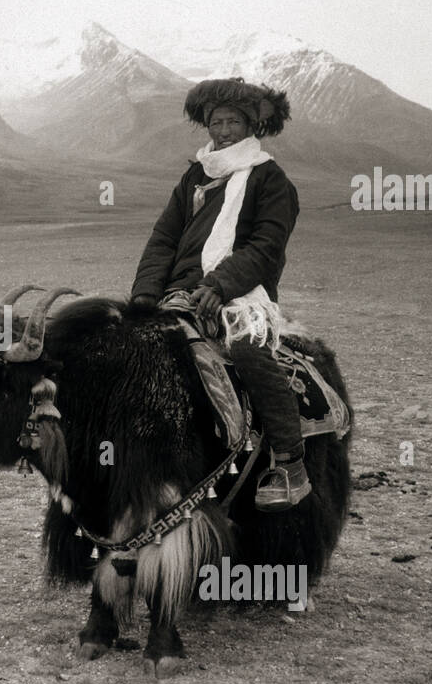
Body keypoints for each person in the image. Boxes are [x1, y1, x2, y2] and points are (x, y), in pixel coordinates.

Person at [130, 77, 309, 511]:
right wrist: (144, 296)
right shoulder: (194, 176)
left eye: (233, 121)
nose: (223, 130)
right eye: (216, 122)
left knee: (246, 350)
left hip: (241, 296)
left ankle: (290, 461)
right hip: (180, 291)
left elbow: (266, 247)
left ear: (251, 126)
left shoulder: (271, 180)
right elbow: (163, 240)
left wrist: (219, 285)